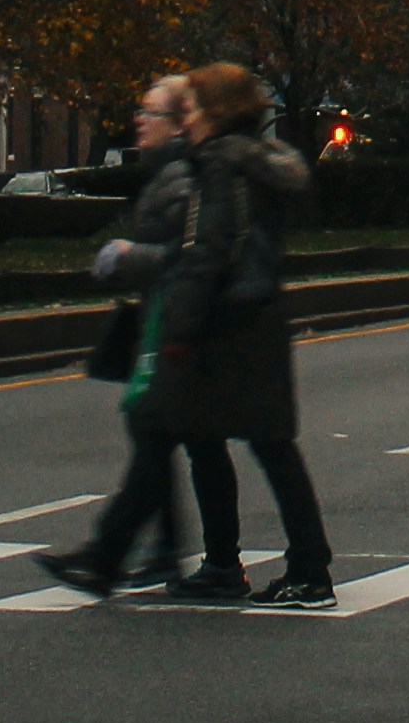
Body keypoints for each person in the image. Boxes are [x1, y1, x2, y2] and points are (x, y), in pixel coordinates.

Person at [143, 59, 333, 608]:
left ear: (218, 110)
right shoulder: (261, 160)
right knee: (239, 442)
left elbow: (209, 250)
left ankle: (294, 569)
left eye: (195, 106)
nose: (187, 118)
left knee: (246, 445)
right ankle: (242, 563)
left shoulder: (222, 163)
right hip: (258, 314)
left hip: (227, 320)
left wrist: (180, 325)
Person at [31, 78, 203, 600]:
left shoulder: (178, 178)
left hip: (172, 328)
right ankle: (159, 554)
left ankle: (109, 555)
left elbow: (186, 257)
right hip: (163, 325)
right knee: (155, 439)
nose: (138, 119)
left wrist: (129, 256)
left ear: (177, 124)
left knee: (152, 434)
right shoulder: (168, 174)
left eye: (149, 112)